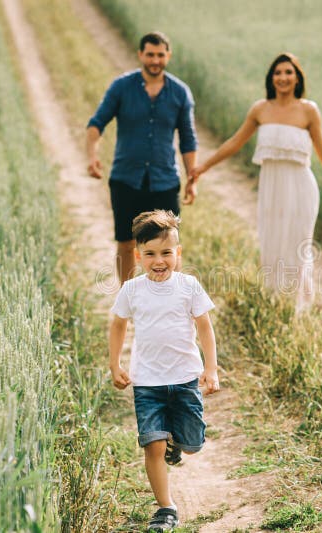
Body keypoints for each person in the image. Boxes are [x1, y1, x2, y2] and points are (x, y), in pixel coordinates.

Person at [188, 52, 322, 312]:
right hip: (272, 187)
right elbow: (235, 142)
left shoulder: (308, 110)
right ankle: (275, 303)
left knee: (297, 245)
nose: (283, 78)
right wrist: (203, 166)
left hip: (301, 187)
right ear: (271, 78)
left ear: (297, 78)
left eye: (288, 73)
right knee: (272, 244)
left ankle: (297, 308)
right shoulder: (261, 109)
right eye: (278, 73)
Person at [108, 210, 219, 532]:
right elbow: (118, 325)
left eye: (167, 253)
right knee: (151, 444)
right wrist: (115, 364)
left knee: (192, 443)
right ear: (138, 255)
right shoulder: (132, 289)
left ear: (178, 254)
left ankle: (177, 441)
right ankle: (166, 508)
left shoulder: (188, 286)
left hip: (185, 378)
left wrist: (211, 369)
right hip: (147, 382)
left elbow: (205, 327)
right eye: (151, 254)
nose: (160, 261)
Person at [87, 31, 199, 285]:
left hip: (164, 180)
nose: (155, 60)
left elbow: (188, 139)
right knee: (126, 243)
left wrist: (192, 177)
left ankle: (170, 299)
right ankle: (127, 299)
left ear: (167, 56)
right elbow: (97, 123)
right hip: (126, 179)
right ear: (140, 55)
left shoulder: (180, 93)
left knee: (168, 245)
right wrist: (92, 155)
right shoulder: (121, 87)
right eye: (150, 54)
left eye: (160, 55)